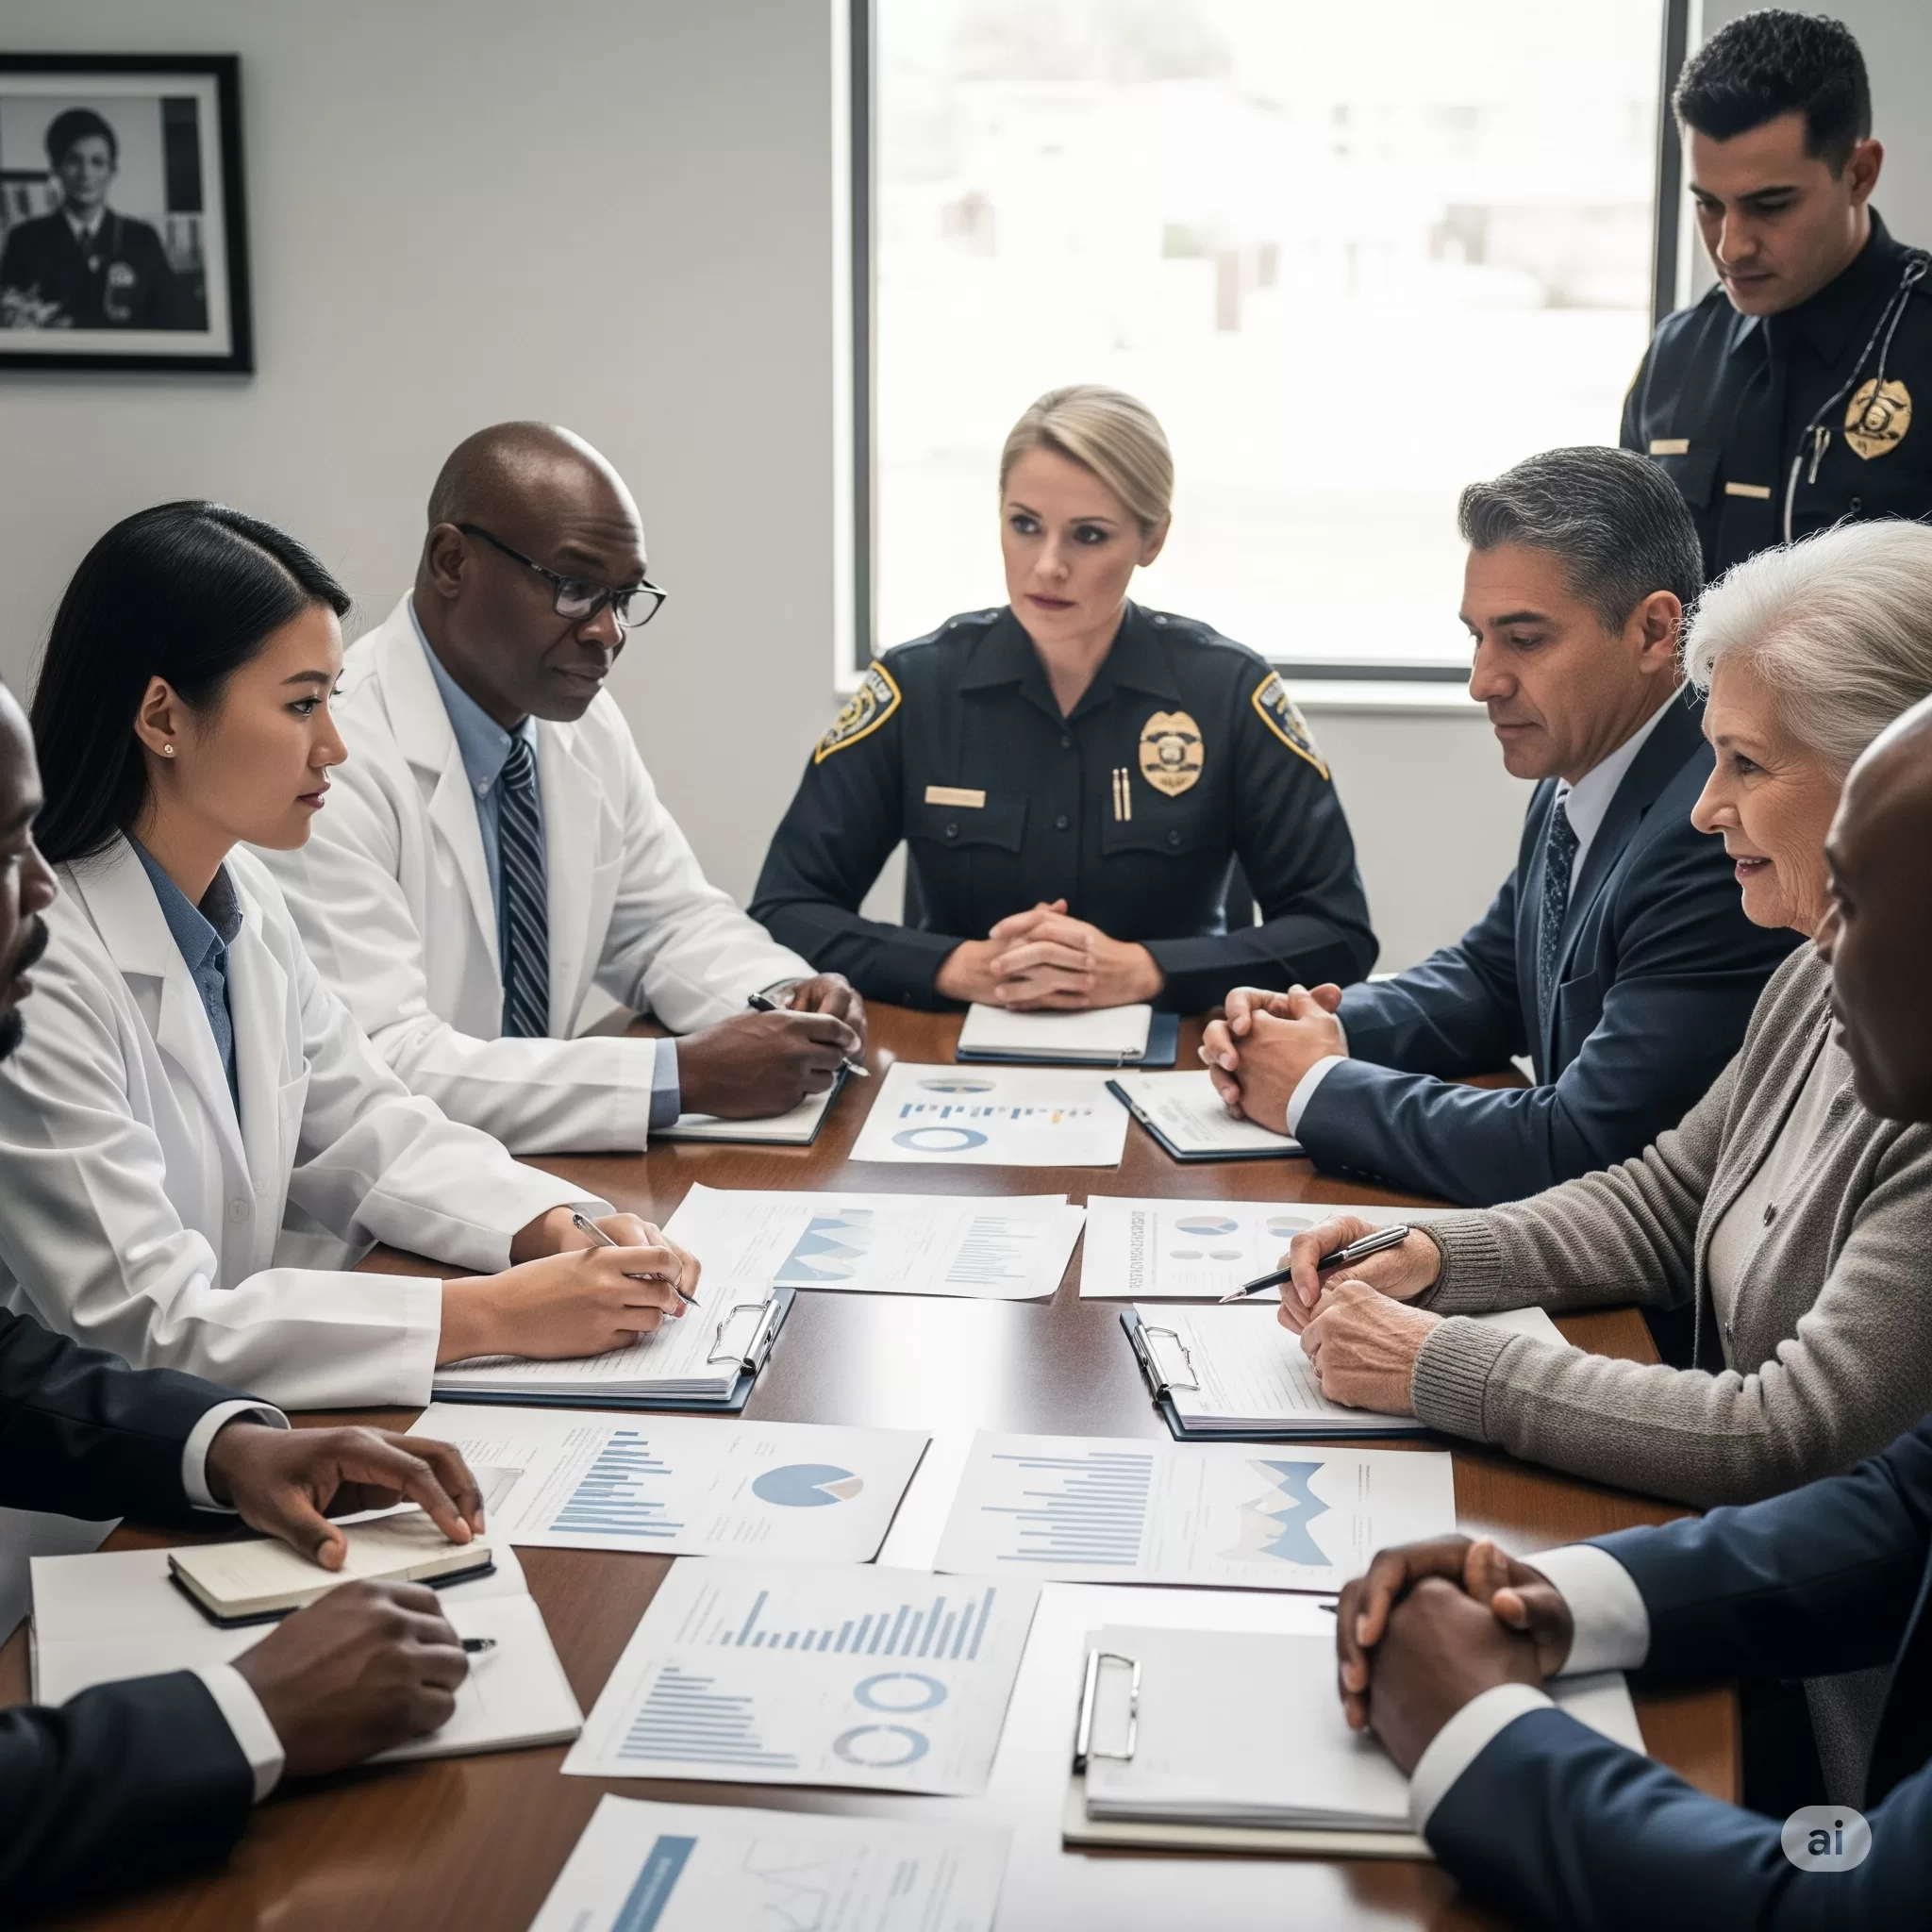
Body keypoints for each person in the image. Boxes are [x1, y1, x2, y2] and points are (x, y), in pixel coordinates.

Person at [1278, 519, 1932, 1794]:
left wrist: (1437, 1364)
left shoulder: (1910, 1051)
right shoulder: (1816, 973)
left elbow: (1789, 1434)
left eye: (1746, 762)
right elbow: (1660, 1196)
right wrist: (1429, 1253)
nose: (1705, 808)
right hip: (1711, 1582)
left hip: (1814, 1700)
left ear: (1884, 775)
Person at [0, 503, 700, 1411]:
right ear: (162, 714)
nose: (335, 746)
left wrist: (558, 1226)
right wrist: (491, 1316)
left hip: (243, 1434)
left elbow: (369, 1126)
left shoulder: (242, 898)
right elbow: (145, 1321)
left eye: (332, 698)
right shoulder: (41, 968)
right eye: (300, 705)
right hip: (84, 1517)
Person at [0, 685, 494, 1918]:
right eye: (4, 847)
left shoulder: (242, 903)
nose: (42, 890)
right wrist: (247, 1710)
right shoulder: (67, 978)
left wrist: (227, 1447)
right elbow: (142, 1310)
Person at [1202, 447, 1796, 1208]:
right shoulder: (1584, 763)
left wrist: (1314, 1087)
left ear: (1655, 633)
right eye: (1476, 637)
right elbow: (1494, 979)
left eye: (1523, 640)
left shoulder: (1709, 831)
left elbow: (1581, 1148)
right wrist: (1322, 1024)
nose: (1483, 680)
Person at [258, 423, 864, 1154]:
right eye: (576, 589)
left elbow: (665, 924)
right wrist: (676, 1077)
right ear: (452, 562)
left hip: (534, 1177)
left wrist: (784, 998)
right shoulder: (333, 754)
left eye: (625, 596)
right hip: (370, 1223)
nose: (609, 632)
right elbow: (382, 1061)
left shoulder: (579, 725)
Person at [749, 384, 1375, 1014]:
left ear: (1152, 539)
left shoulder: (1227, 691)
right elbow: (784, 909)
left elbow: (1338, 932)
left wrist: (1146, 970)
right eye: (1025, 525)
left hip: (1182, 1060)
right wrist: (954, 966)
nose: (1047, 565)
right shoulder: (918, 687)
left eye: (1089, 536)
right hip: (950, 1061)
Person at [1622, 10, 1932, 580]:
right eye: (1708, 204)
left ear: (1860, 174)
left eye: (1771, 205)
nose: (1731, 247)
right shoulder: (1677, 354)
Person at [0, 107, 186, 331]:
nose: (85, 174)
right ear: (56, 169)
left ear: (112, 170)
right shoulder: (24, 240)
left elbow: (171, 323)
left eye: (97, 162)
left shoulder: (142, 239)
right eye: (73, 161)